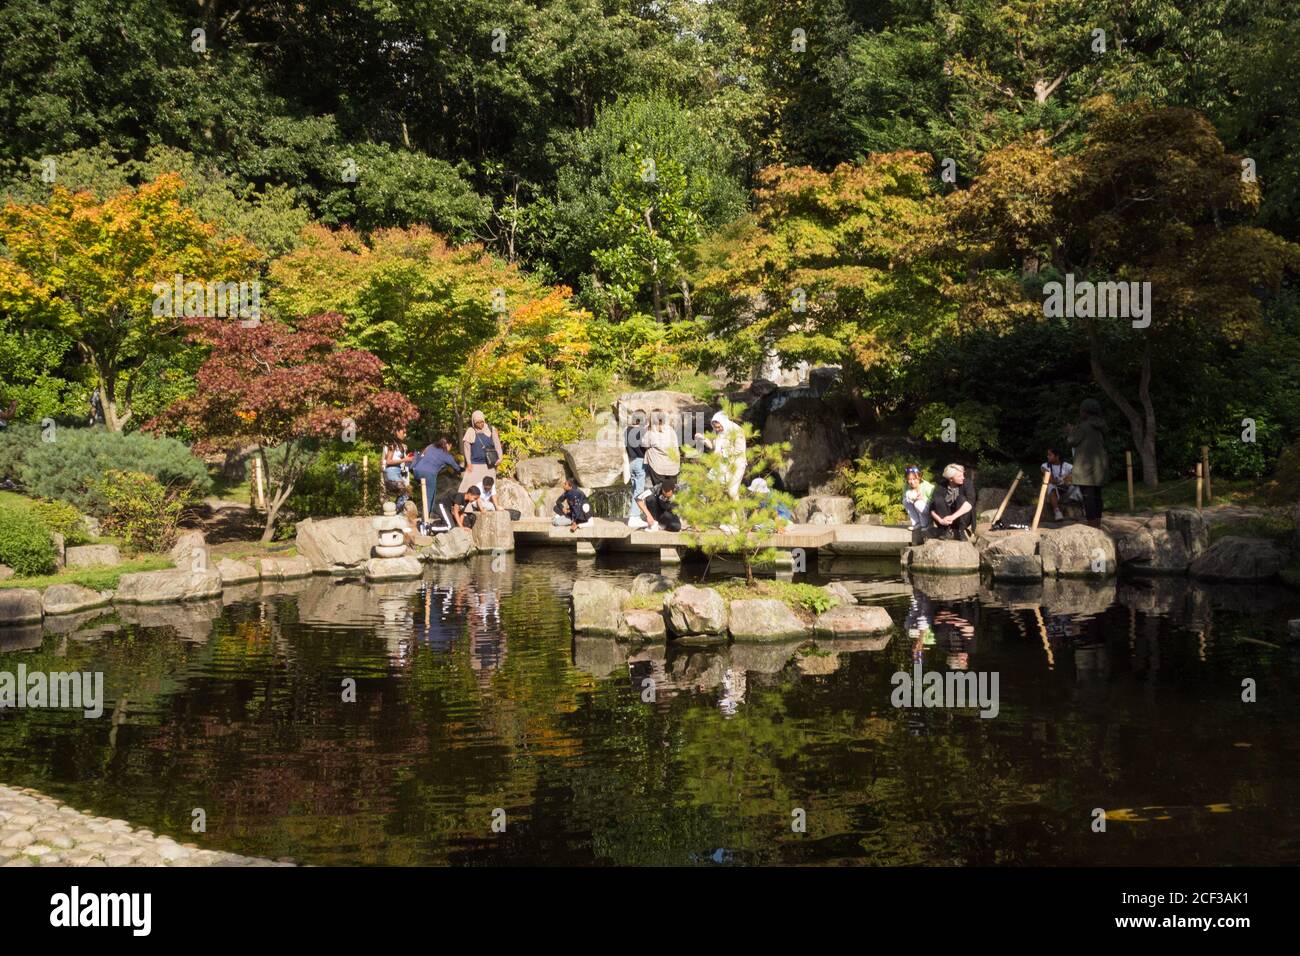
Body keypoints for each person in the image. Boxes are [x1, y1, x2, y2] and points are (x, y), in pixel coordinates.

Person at [1067, 399, 1108, 528]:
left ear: (1086, 412)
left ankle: (1092, 525)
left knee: (1088, 497)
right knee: (1097, 496)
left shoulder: (1084, 426)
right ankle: (1098, 523)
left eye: (1081, 411)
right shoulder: (1101, 425)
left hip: (1085, 467)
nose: (1080, 413)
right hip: (1098, 466)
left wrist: (1070, 431)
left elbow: (1072, 441)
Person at [696, 410, 747, 499]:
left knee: (732, 491)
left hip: (736, 463)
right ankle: (731, 511)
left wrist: (725, 454)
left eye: (719, 427)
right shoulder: (717, 431)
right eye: (715, 427)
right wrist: (703, 439)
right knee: (721, 489)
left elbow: (739, 450)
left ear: (724, 422)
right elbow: (713, 445)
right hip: (722, 463)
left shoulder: (736, 430)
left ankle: (739, 512)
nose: (717, 429)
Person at [410, 437, 462, 518]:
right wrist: (462, 469)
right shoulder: (446, 455)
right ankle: (426, 518)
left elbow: (422, 454)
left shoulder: (431, 446)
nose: (450, 448)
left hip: (416, 471)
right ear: (448, 445)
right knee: (430, 496)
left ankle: (424, 514)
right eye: (450, 446)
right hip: (429, 474)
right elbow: (456, 467)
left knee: (426, 492)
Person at [460, 410, 503, 493]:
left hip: (489, 465)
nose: (480, 424)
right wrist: (468, 463)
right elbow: (467, 449)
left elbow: (497, 444)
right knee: (469, 488)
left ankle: (487, 505)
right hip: (475, 465)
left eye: (482, 422)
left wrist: (500, 458)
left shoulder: (491, 429)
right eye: (477, 423)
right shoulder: (470, 431)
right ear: (473, 422)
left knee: (488, 489)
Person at [929, 463, 974, 540]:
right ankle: (945, 531)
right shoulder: (941, 486)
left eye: (963, 475)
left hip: (963, 519)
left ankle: (961, 531)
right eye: (959, 476)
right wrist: (941, 520)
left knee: (961, 498)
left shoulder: (967, 484)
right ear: (951, 479)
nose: (963, 478)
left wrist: (952, 517)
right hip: (945, 521)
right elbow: (932, 508)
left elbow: (970, 504)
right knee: (938, 499)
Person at [622, 408, 649, 527]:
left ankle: (634, 515)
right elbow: (645, 445)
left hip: (630, 462)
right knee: (639, 491)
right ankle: (634, 517)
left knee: (634, 490)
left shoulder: (626, 430)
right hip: (639, 461)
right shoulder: (641, 431)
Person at [1041, 446, 1083, 522]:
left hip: (1065, 491)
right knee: (1050, 485)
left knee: (1077, 485)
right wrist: (1063, 479)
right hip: (1052, 493)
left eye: (1050, 455)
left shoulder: (1066, 465)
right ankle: (1057, 511)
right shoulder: (1045, 466)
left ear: (1057, 456)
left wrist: (1069, 477)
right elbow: (1051, 479)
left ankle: (1081, 507)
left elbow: (1077, 472)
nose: (1048, 457)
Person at [643, 408, 680, 490]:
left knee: (659, 491)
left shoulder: (651, 432)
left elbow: (644, 444)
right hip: (672, 467)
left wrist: (646, 428)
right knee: (672, 492)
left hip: (658, 467)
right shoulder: (670, 430)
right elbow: (676, 445)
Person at [382, 428, 414, 509]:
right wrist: (405, 459)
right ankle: (396, 510)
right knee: (406, 492)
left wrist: (407, 457)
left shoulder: (399, 445)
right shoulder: (392, 445)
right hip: (392, 472)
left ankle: (396, 510)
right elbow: (388, 461)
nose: (405, 435)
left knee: (405, 493)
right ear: (397, 432)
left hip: (397, 472)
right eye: (404, 432)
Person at [902, 466, 935, 544]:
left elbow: (935, 503)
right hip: (917, 508)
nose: (912, 482)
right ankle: (917, 523)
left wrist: (923, 499)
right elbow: (904, 497)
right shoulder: (906, 486)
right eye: (909, 479)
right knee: (905, 500)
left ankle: (926, 524)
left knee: (918, 503)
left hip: (929, 511)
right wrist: (909, 498)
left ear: (919, 477)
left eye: (914, 479)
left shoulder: (927, 486)